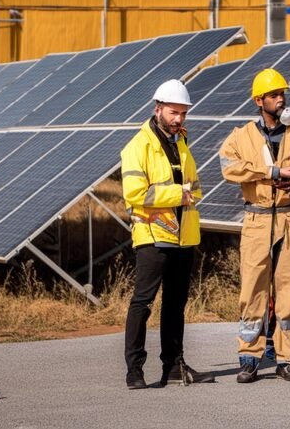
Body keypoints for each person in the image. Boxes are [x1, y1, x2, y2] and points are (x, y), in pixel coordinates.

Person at [219, 68, 290, 383]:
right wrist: (272, 173)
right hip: (256, 219)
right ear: (259, 100)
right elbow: (229, 168)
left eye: (282, 94)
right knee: (253, 290)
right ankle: (249, 356)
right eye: (274, 95)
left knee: (288, 290)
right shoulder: (240, 136)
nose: (281, 99)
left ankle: (286, 358)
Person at [121, 79, 215, 389]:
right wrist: (178, 194)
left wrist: (187, 194)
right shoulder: (138, 146)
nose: (179, 119)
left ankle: (174, 366)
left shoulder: (181, 144)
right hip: (153, 237)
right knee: (143, 303)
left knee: (175, 305)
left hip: (183, 237)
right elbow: (135, 193)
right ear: (158, 109)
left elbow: (195, 187)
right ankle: (134, 371)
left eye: (183, 114)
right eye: (174, 113)